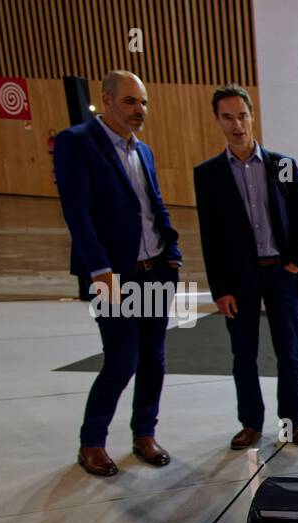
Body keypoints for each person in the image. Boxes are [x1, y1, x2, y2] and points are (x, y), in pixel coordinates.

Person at [53, 69, 180, 476]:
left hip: (154, 271)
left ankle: (144, 433)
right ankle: (91, 442)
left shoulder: (142, 151)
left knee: (154, 359)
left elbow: (154, 206)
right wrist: (100, 270)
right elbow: (77, 212)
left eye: (143, 102)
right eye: (130, 101)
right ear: (105, 100)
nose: (139, 109)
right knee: (122, 359)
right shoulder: (77, 143)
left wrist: (172, 254)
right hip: (113, 277)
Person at [193, 84, 298, 449]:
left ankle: (291, 422)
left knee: (289, 353)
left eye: (242, 116)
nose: (237, 125)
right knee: (243, 356)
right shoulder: (209, 175)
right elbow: (211, 238)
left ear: (253, 116)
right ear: (218, 120)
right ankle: (251, 424)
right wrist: (220, 289)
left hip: (281, 273)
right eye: (228, 117)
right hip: (239, 280)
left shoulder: (282, 167)